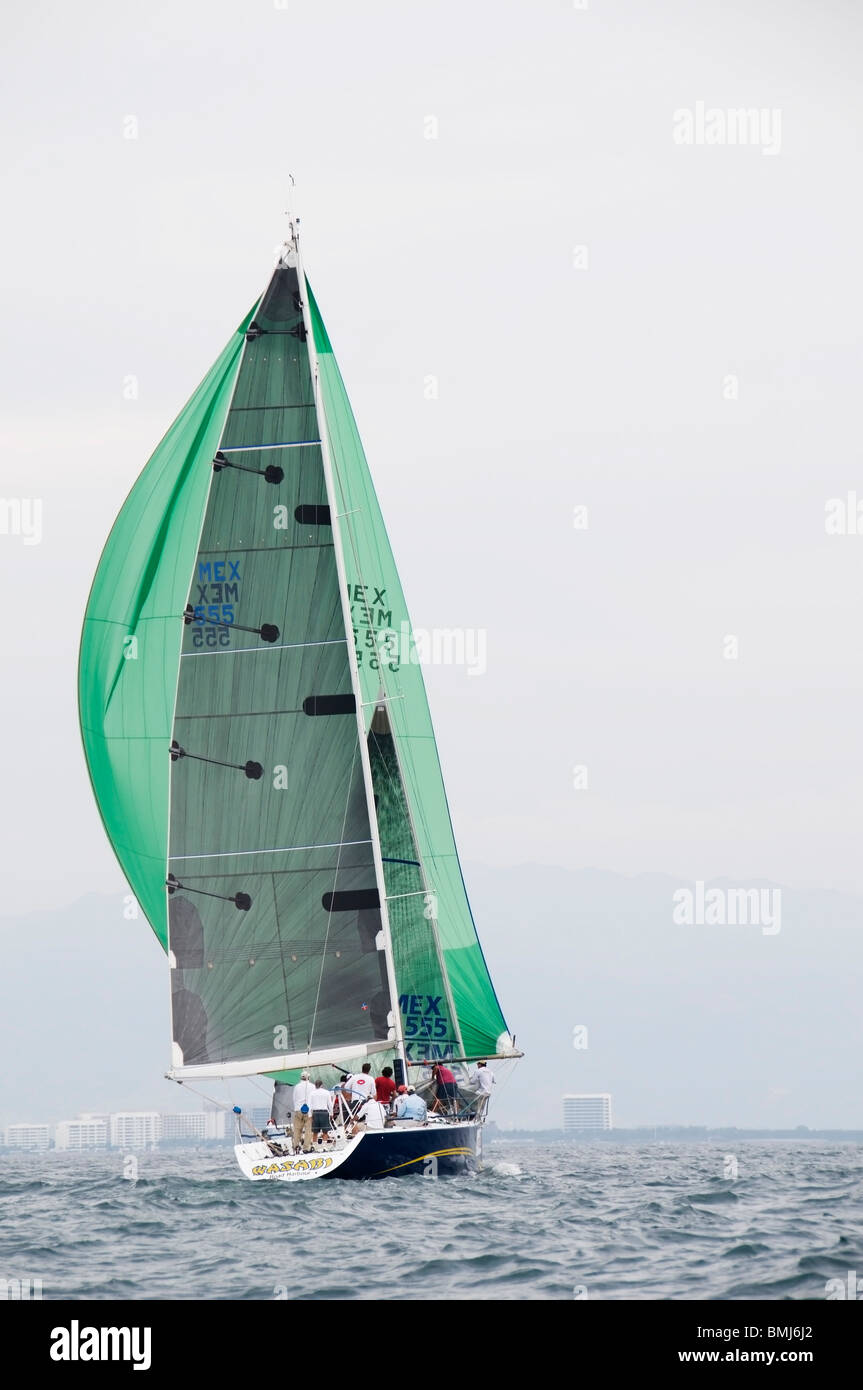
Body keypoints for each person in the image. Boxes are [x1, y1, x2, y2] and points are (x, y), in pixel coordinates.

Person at [291, 1070, 316, 1153]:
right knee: (308, 1130)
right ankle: (306, 1147)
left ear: (301, 1077)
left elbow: (294, 1099)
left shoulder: (297, 1087)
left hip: (298, 1110)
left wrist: (296, 1108)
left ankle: (296, 1147)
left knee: (297, 1130)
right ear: (308, 1077)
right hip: (309, 1110)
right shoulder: (312, 1086)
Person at [310, 1078, 334, 1145]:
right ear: (322, 1085)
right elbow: (330, 1104)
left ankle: (314, 1146)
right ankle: (324, 1146)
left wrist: (310, 1115)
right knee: (325, 1131)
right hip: (324, 1113)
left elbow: (310, 1105)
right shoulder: (326, 1092)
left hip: (315, 1113)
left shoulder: (312, 1093)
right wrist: (331, 1114)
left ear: (315, 1085)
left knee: (315, 1132)